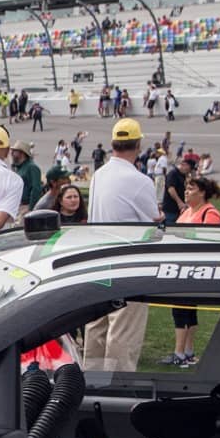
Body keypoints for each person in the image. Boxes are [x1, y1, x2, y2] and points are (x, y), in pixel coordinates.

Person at [83, 117, 160, 371]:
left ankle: (90, 386)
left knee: (96, 328)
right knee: (122, 334)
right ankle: (118, 391)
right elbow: (153, 223)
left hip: (97, 260)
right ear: (137, 145)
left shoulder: (99, 175)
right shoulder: (140, 181)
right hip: (127, 264)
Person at [156, 175, 220, 367]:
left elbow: (210, 241)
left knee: (181, 309)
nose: (186, 191)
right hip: (180, 266)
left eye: (191, 188)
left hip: (194, 269)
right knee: (186, 309)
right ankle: (187, 351)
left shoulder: (209, 213)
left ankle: (179, 352)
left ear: (202, 192)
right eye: (186, 188)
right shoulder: (186, 213)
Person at [10, 140, 43, 213]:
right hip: (18, 205)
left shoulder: (32, 167)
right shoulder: (18, 167)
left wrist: (31, 208)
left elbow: (36, 189)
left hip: (26, 206)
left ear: (22, 153)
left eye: (15, 151)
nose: (11, 153)